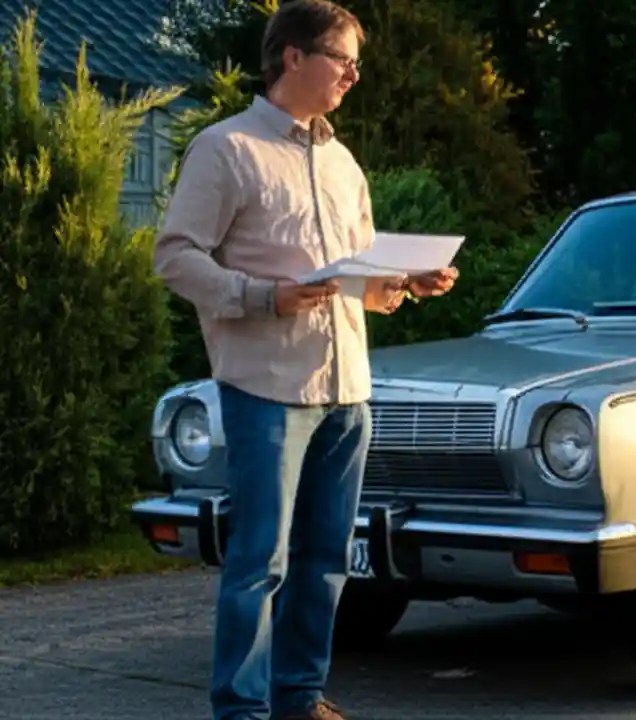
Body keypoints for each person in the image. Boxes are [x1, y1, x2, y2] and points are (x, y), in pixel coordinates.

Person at [152, 2, 456, 718]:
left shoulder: (344, 162)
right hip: (266, 390)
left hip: (348, 390)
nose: (354, 74)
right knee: (261, 562)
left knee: (325, 562)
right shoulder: (225, 150)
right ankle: (242, 709)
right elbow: (174, 256)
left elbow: (360, 278)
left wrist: (404, 285)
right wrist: (263, 297)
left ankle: (299, 698)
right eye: (342, 59)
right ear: (293, 58)